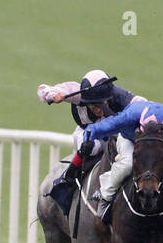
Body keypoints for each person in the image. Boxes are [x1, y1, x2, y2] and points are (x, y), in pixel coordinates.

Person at [38, 69, 143, 213]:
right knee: (88, 146)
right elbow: (42, 90)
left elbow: (142, 103)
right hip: (87, 132)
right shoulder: (76, 91)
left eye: (101, 104)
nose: (98, 110)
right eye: (93, 105)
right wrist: (54, 94)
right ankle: (67, 179)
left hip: (115, 135)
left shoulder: (119, 95)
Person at [83, 101, 163, 225]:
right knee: (128, 164)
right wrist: (87, 140)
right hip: (130, 139)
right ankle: (106, 198)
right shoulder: (131, 115)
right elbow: (97, 128)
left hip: (162, 144)